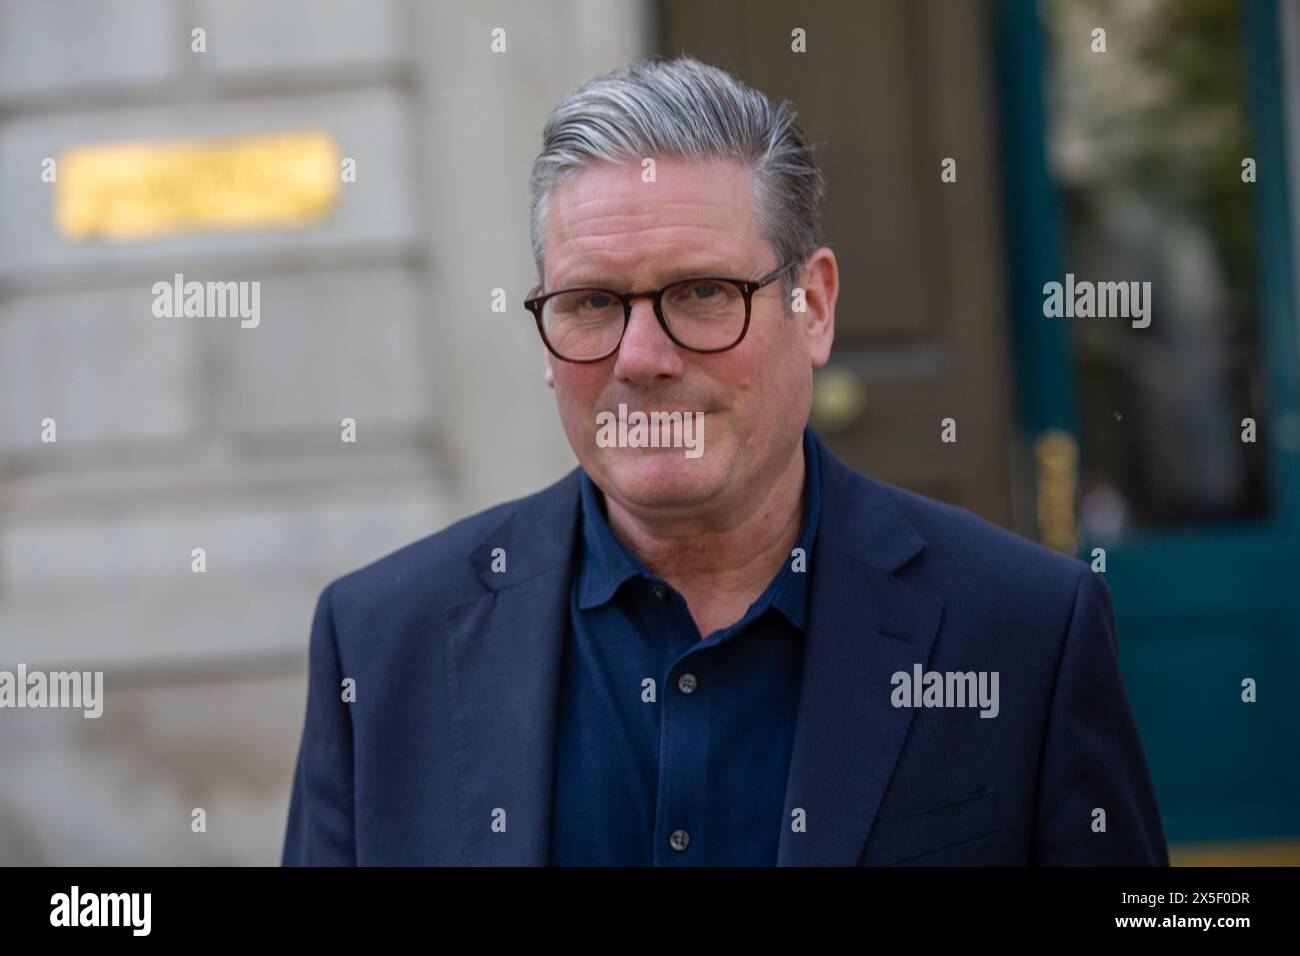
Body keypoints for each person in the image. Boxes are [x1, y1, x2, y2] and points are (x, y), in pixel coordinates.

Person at [282, 56, 1167, 866]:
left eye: (702, 293)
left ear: (813, 307)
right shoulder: (381, 645)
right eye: (590, 302)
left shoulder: (1025, 631)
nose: (639, 357)